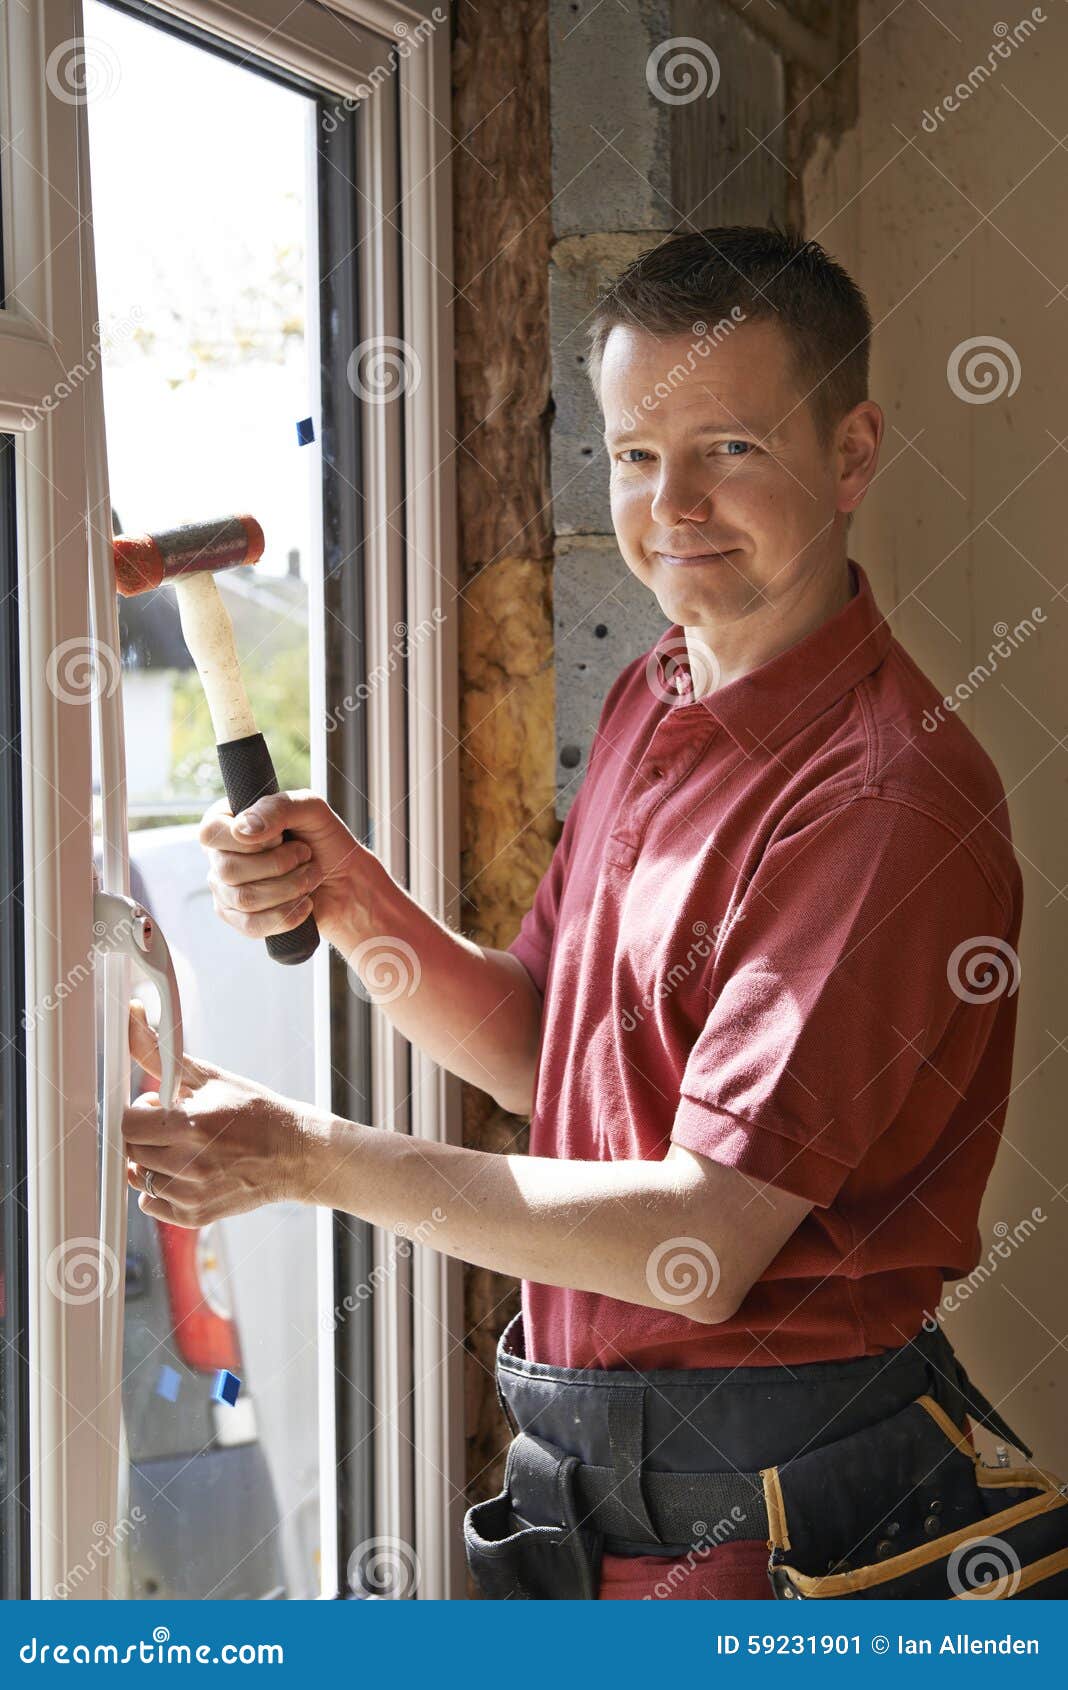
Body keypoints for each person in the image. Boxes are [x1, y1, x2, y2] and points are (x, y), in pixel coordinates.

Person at [124, 225, 1025, 1600]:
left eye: (728, 448)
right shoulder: (655, 693)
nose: (670, 505)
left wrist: (306, 1155)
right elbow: (545, 1051)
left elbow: (699, 1244)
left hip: (777, 1533)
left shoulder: (885, 800)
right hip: (607, 1505)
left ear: (851, 454)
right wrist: (357, 896)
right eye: (635, 454)